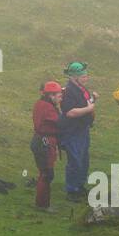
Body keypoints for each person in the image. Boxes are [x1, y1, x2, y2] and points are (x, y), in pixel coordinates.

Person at [57, 61, 96, 202]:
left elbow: (85, 104)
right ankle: (72, 190)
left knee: (84, 160)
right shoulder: (68, 91)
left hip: (82, 130)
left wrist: (92, 100)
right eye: (83, 76)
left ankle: (80, 186)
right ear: (74, 77)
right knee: (75, 161)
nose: (86, 78)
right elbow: (70, 113)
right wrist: (89, 109)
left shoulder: (81, 89)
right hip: (72, 132)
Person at [31, 81, 63, 210]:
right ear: (51, 95)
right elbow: (60, 122)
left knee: (44, 173)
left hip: (40, 141)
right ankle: (42, 205)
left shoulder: (40, 104)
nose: (60, 97)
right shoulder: (48, 108)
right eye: (58, 94)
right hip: (45, 143)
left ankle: (42, 203)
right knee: (46, 174)